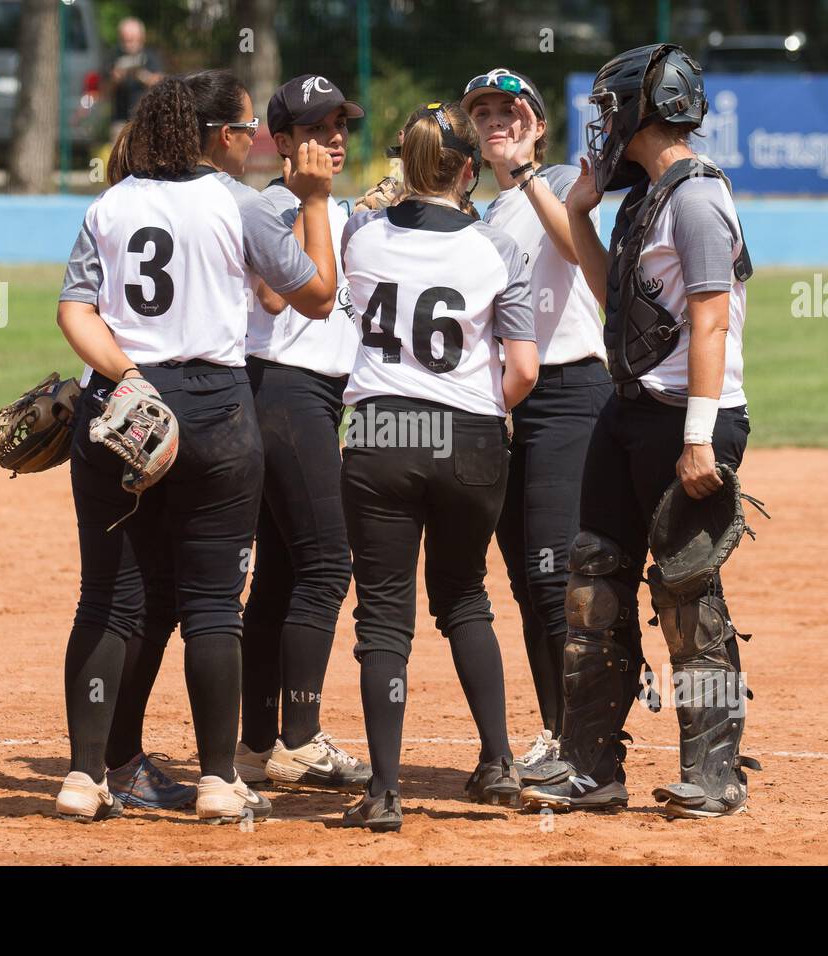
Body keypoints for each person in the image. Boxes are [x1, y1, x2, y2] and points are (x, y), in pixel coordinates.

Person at [53, 71, 338, 824]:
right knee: (214, 604)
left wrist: (128, 377)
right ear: (218, 137)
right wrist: (312, 202)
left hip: (123, 408)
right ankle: (217, 781)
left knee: (106, 601)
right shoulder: (237, 204)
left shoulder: (109, 205)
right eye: (248, 131)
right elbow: (314, 296)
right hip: (215, 410)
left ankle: (84, 778)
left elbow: (74, 312)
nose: (256, 144)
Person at [519, 45, 760, 818]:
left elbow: (711, 318)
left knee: (689, 596)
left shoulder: (695, 198)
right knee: (594, 586)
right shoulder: (642, 200)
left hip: (689, 417)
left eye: (606, 111)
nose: (599, 126)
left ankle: (716, 775)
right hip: (626, 411)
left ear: (636, 110)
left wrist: (698, 439)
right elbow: (603, 288)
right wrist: (580, 210)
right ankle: (593, 768)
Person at [337, 102, 540, 831]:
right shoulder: (496, 250)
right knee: (464, 596)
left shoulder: (362, 235)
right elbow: (523, 369)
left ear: (403, 166)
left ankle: (385, 792)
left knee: (384, 618)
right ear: (465, 170)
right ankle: (499, 762)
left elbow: (357, 233)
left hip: (383, 428)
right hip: (469, 435)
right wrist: (483, 413)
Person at [460, 68, 611, 782]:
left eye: (510, 108)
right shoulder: (486, 215)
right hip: (506, 400)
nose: (495, 118)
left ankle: (582, 745)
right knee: (526, 578)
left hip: (569, 394)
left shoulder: (557, 183)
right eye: (481, 110)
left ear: (538, 123)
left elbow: (581, 253)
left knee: (557, 578)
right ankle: (557, 735)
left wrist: (526, 175)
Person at [234, 75, 370, 792]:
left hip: (295, 396)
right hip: (287, 392)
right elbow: (271, 292)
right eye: (316, 129)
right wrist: (313, 203)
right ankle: (301, 737)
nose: (334, 138)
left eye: (340, 124)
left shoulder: (325, 205)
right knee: (327, 563)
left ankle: (256, 747)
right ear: (281, 143)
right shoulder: (276, 204)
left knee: (284, 577)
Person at [106, 17, 162, 143]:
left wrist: (142, 75)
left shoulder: (150, 57)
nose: (127, 44)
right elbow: (103, 90)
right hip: (120, 120)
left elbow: (161, 83)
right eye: (124, 40)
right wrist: (116, 78)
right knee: (119, 158)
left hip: (146, 119)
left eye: (131, 40)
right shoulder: (114, 56)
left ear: (141, 38)